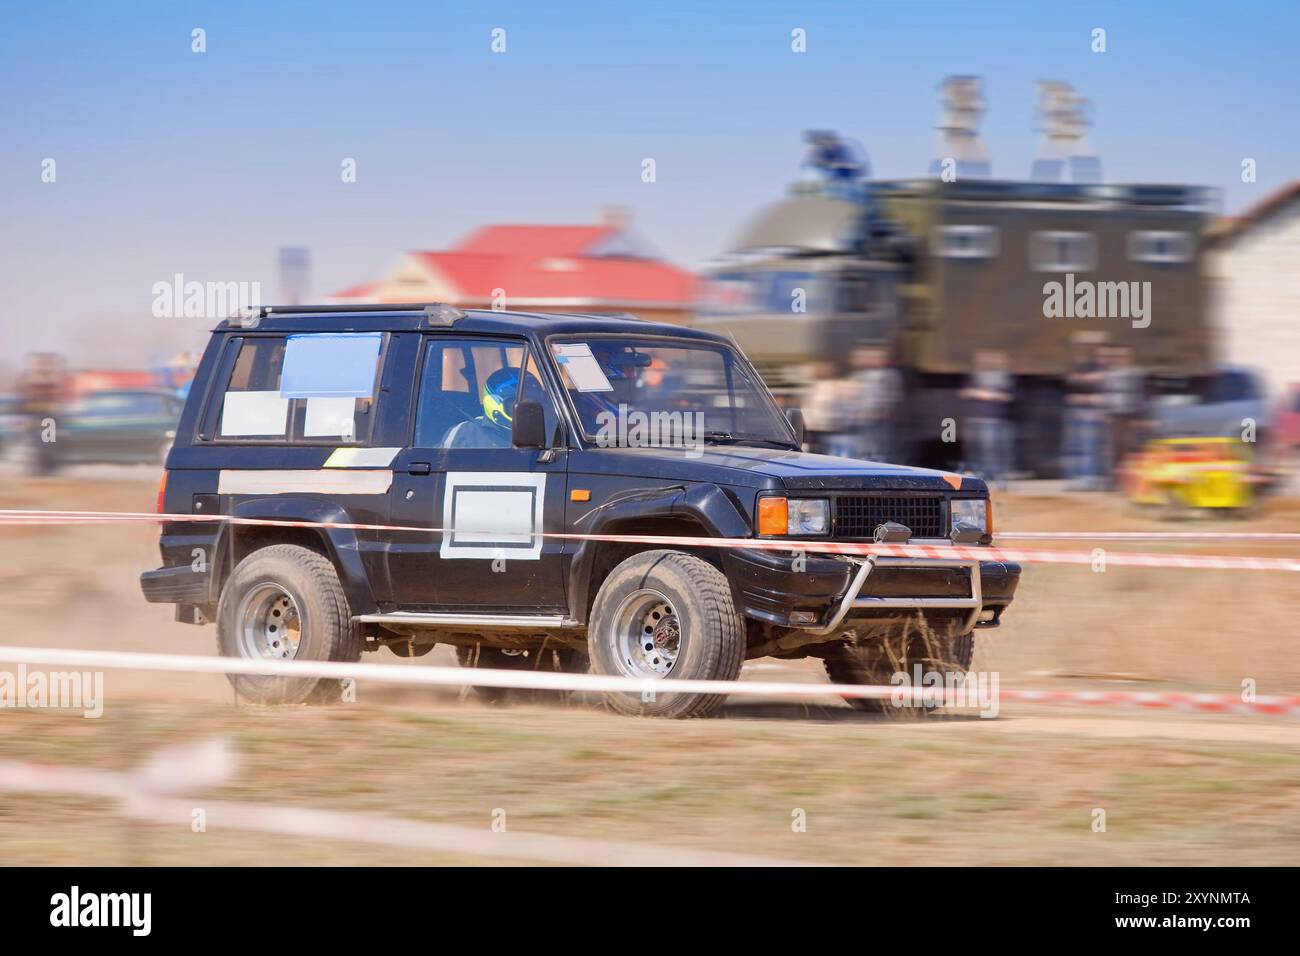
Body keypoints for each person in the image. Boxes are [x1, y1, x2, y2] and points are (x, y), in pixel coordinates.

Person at [444, 366, 542, 449]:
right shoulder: (466, 433)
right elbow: (442, 465)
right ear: (494, 404)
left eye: (533, 406)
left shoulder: (546, 430)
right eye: (519, 406)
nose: (527, 412)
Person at [961, 349, 1015, 482]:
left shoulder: (1004, 378)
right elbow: (965, 392)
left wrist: (988, 395)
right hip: (975, 419)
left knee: (990, 452)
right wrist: (983, 394)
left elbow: (1011, 396)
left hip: (992, 420)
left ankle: (992, 477)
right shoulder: (975, 376)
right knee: (974, 451)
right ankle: (977, 477)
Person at [1062, 336, 1108, 490]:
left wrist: (1090, 399)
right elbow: (1072, 385)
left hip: (1095, 412)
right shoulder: (1083, 365)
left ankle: (1090, 480)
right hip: (1080, 411)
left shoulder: (1102, 369)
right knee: (1077, 448)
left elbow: (1104, 391)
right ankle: (1076, 479)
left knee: (1092, 448)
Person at [845, 346, 903, 462]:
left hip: (879, 420)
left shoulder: (889, 375)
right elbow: (854, 397)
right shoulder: (860, 376)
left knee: (879, 449)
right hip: (862, 421)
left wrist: (882, 413)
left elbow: (894, 397)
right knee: (863, 449)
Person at [1101, 345, 1146, 483]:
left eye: (1124, 356)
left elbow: (1141, 394)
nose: (1121, 359)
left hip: (1130, 414)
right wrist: (1105, 411)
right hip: (1115, 414)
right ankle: (1114, 480)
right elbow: (1106, 394)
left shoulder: (1136, 373)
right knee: (1115, 448)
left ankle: (1134, 479)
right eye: (1119, 356)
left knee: (1131, 447)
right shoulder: (1110, 374)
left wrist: (1140, 416)